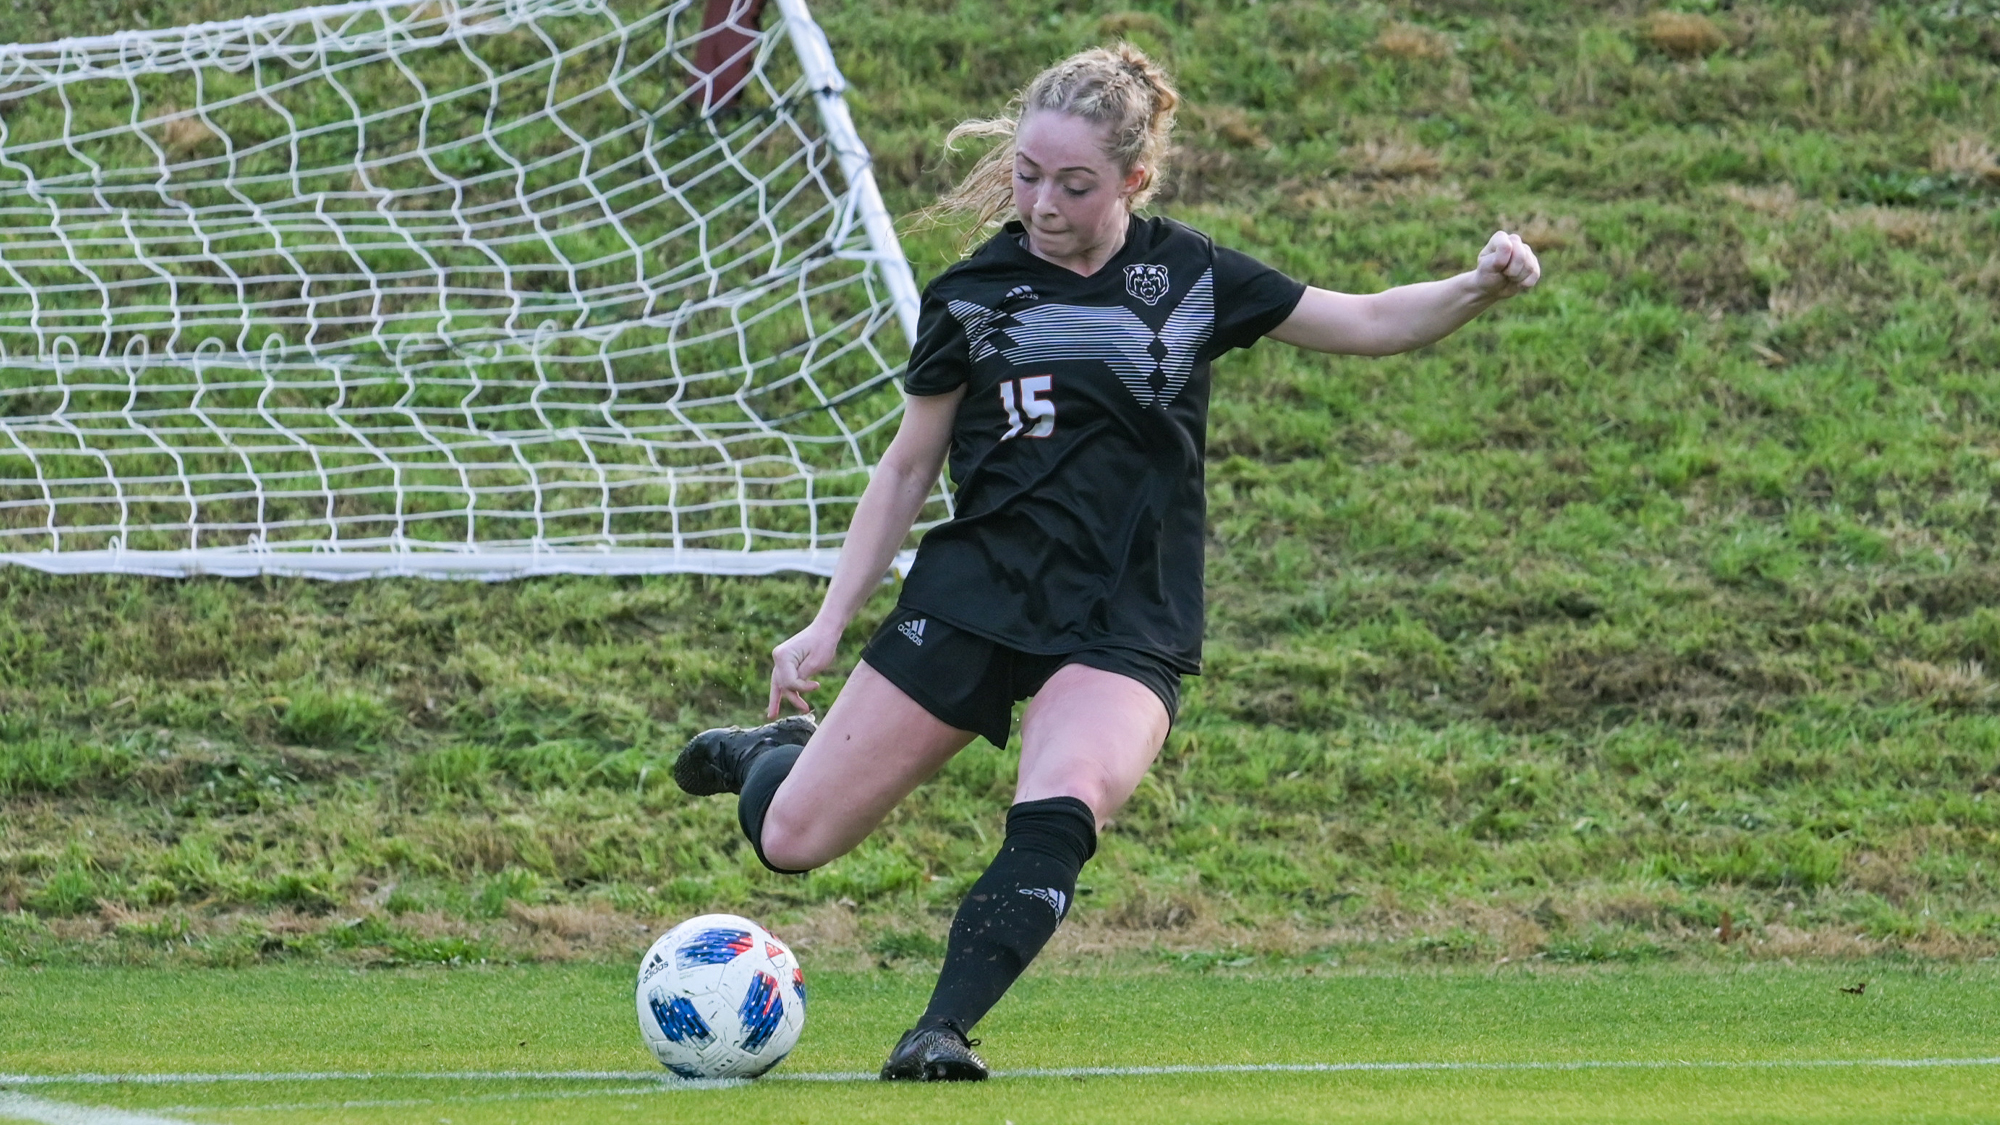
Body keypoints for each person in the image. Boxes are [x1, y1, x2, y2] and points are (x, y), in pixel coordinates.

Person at [673, 42, 1540, 1081]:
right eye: (1027, 176)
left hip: (1126, 612)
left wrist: (1478, 286)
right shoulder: (971, 295)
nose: (1041, 203)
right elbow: (907, 469)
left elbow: (1362, 319)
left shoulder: (1186, 278)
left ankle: (936, 1033)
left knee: (1065, 796)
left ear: (1133, 178)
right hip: (979, 591)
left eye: (1072, 185)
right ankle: (769, 753)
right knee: (792, 841)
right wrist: (826, 621)